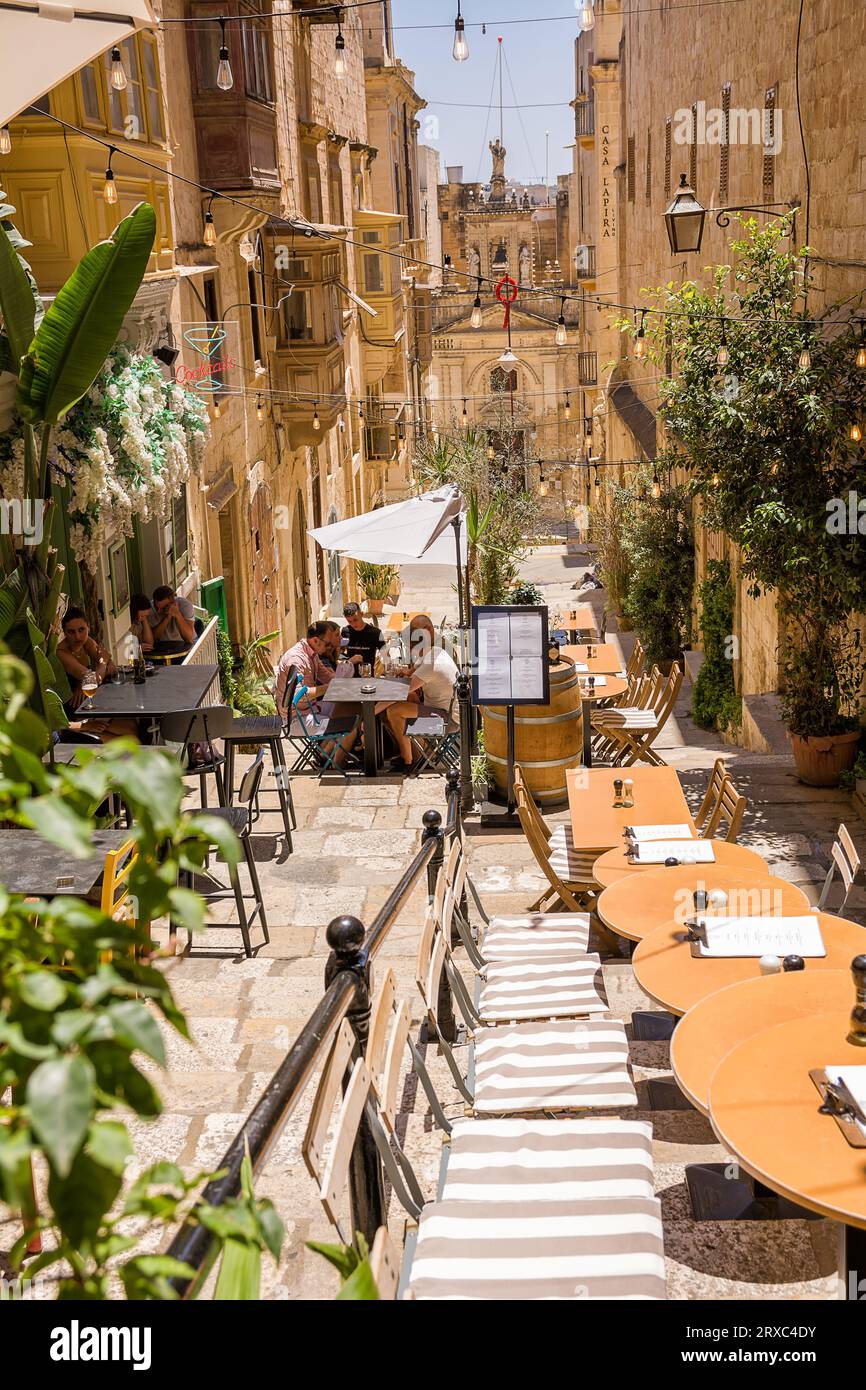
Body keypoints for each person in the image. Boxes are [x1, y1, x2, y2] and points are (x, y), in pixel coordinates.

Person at [380, 614, 458, 771]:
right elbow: (411, 673)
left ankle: (408, 761)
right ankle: (418, 755)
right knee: (402, 703)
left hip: (448, 719)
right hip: (441, 710)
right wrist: (402, 672)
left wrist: (369, 714)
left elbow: (400, 692)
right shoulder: (434, 651)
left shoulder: (431, 663)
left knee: (394, 710)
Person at [274, 621, 360, 765]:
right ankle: (336, 764)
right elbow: (298, 696)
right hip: (296, 718)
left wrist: (347, 678)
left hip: (309, 708)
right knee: (351, 727)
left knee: (354, 707)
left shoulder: (312, 654)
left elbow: (329, 677)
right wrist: (330, 686)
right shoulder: (296, 659)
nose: (329, 647)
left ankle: (324, 753)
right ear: (315, 640)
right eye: (327, 644)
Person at [56, 608, 138, 741]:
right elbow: (95, 678)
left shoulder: (86, 642)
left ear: (88, 627)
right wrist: (102, 664)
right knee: (131, 739)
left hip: (91, 707)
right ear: (64, 633)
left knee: (131, 727)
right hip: (74, 718)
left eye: (81, 629)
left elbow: (111, 667)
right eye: (71, 632)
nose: (77, 636)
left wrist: (82, 682)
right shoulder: (61, 653)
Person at [341, 603, 385, 675]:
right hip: (349, 676)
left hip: (367, 675)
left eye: (355, 619)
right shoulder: (345, 631)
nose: (353, 624)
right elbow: (340, 654)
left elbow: (385, 655)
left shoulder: (375, 633)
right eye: (349, 621)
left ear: (361, 614)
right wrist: (349, 661)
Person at [149, 584, 196, 649]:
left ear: (173, 602)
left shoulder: (185, 605)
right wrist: (167, 617)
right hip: (164, 648)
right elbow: (155, 638)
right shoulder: (149, 609)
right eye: (156, 607)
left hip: (186, 646)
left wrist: (178, 615)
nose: (158, 612)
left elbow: (189, 638)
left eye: (163, 608)